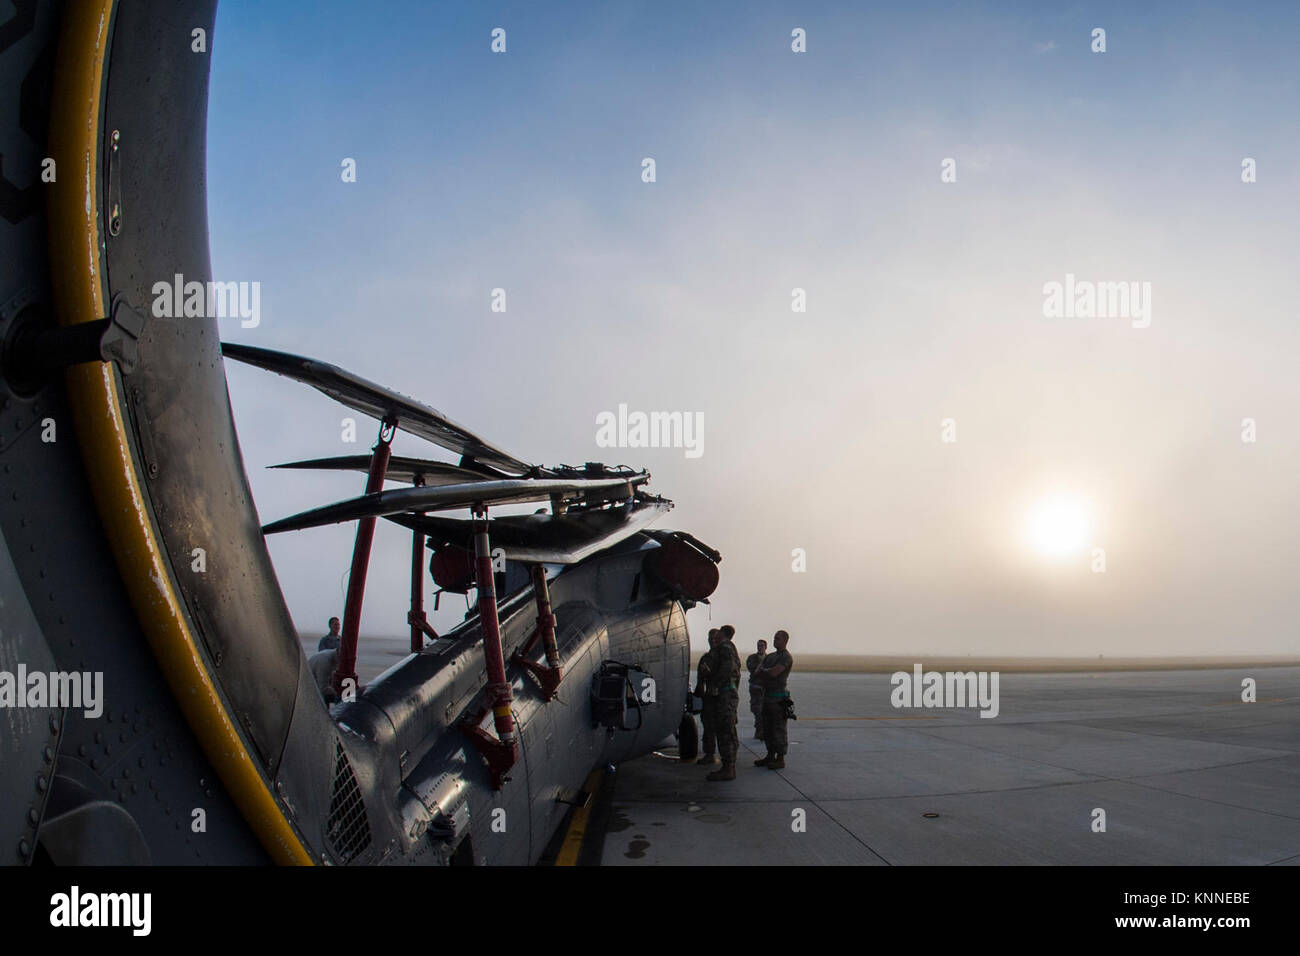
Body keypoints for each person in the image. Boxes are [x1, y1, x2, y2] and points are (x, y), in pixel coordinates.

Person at [754, 630, 793, 770]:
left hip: (778, 698)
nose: (775, 641)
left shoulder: (786, 657)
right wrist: (766, 672)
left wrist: (765, 671)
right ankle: (770, 755)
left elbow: (773, 673)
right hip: (767, 696)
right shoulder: (770, 656)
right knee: (767, 728)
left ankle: (780, 758)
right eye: (774, 638)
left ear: (785, 641)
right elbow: (757, 672)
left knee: (779, 729)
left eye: (778, 639)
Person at [706, 625, 741, 782]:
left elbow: (727, 669)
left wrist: (715, 685)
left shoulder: (725, 647)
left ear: (723, 633)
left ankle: (728, 768)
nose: (716, 636)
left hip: (724, 694)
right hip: (727, 692)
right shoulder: (728, 648)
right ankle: (729, 766)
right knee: (727, 728)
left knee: (725, 729)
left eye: (718, 632)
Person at [695, 629, 719, 765]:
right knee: (708, 725)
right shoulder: (706, 657)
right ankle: (709, 753)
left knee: (724, 728)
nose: (712, 641)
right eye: (710, 638)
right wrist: (699, 696)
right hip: (708, 697)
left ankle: (729, 757)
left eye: (715, 638)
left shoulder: (723, 657)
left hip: (720, 697)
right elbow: (700, 679)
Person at [745, 638, 768, 740]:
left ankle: (762, 732)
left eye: (762, 645)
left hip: (766, 689)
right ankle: (759, 731)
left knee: (765, 711)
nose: (760, 647)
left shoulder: (769, 658)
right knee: (757, 710)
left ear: (766, 647)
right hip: (755, 689)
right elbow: (753, 670)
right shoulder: (752, 658)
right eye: (758, 645)